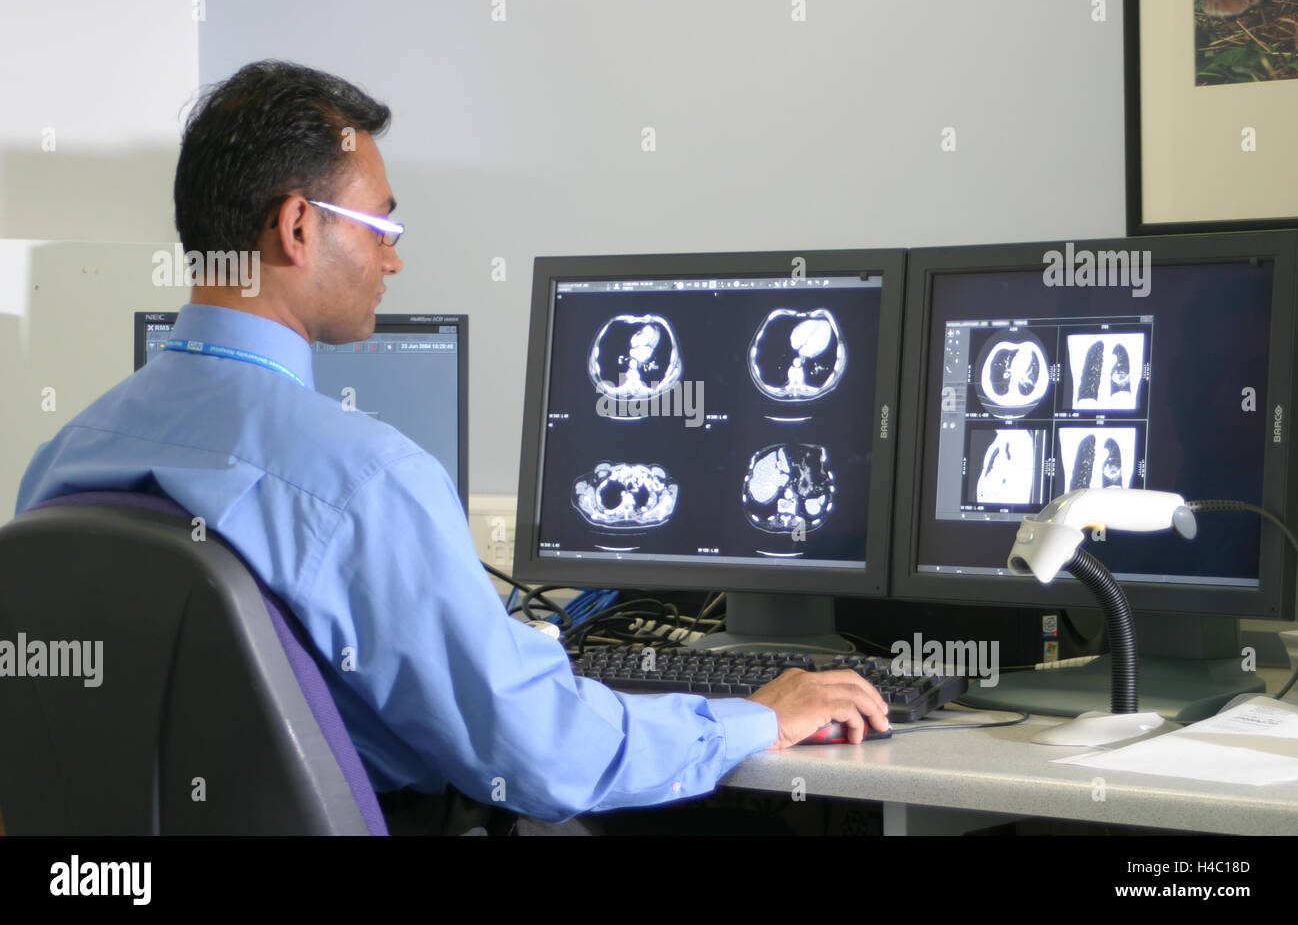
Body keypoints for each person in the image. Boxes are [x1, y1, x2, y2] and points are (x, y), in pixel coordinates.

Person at [14, 60, 889, 831]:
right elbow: (543, 754)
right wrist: (753, 716)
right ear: (296, 228)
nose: (392, 261)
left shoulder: (62, 462)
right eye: (381, 229)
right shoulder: (360, 481)